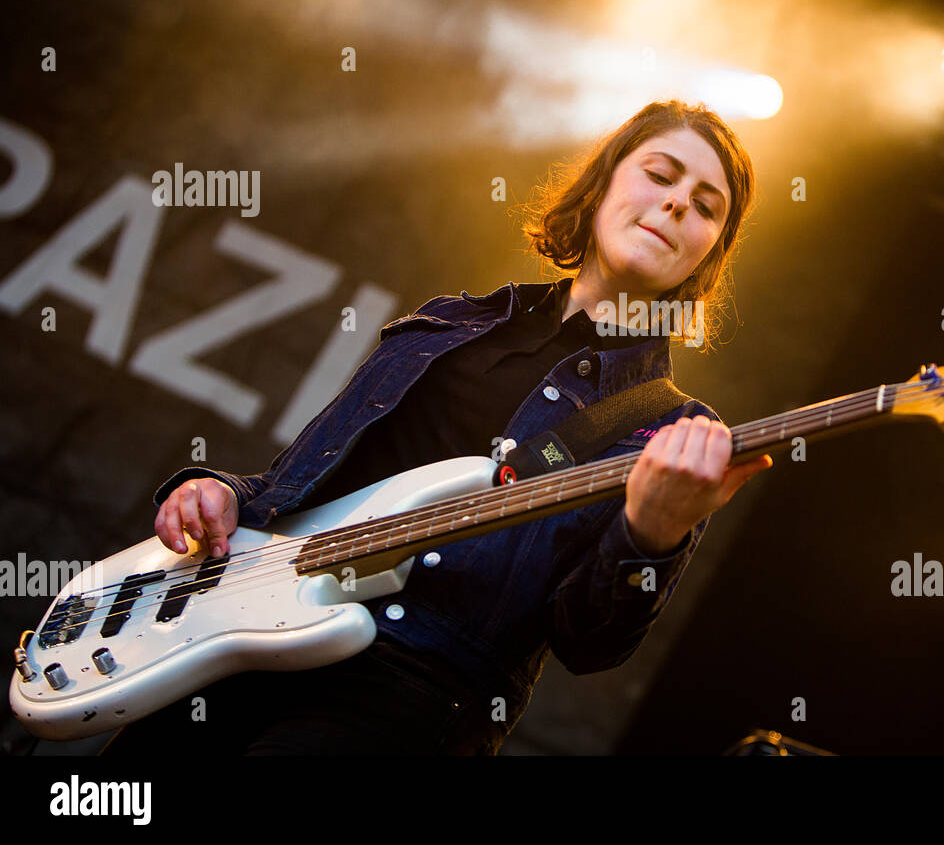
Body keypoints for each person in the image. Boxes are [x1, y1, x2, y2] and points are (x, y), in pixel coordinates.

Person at [97, 99, 770, 756]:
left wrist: (651, 537)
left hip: (412, 687)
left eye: (707, 206)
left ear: (706, 255)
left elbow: (588, 643)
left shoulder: (671, 431)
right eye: (660, 174)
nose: (680, 201)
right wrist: (220, 494)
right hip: (244, 631)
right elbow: (295, 490)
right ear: (602, 186)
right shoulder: (450, 323)